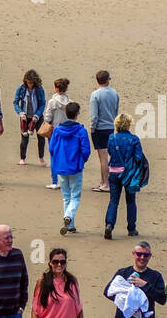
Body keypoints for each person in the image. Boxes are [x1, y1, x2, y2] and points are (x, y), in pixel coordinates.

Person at [49, 102, 91, 234]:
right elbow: (86, 150)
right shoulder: (81, 131)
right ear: (77, 114)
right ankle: (68, 217)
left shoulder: (57, 130)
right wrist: (81, 160)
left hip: (61, 166)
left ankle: (70, 224)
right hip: (75, 167)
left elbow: (51, 148)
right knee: (75, 196)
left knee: (66, 197)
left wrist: (57, 160)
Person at [104, 112, 143, 239]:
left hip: (114, 172)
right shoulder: (134, 139)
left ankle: (109, 224)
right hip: (129, 174)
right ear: (128, 125)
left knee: (113, 200)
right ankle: (131, 228)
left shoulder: (112, 138)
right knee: (131, 201)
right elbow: (138, 157)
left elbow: (109, 151)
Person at [89, 70, 120, 191]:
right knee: (108, 156)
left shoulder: (95, 95)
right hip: (111, 128)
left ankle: (105, 184)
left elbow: (94, 116)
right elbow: (116, 111)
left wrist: (92, 128)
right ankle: (104, 182)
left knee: (103, 158)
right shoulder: (114, 93)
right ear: (107, 80)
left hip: (99, 129)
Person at [13, 69, 46, 166]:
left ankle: (41, 158)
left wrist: (37, 115)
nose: (30, 85)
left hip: (37, 116)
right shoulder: (21, 88)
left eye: (31, 83)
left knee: (41, 138)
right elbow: (16, 102)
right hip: (25, 116)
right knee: (24, 138)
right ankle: (22, 158)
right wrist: (20, 113)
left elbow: (42, 104)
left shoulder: (39, 89)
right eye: (28, 83)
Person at [42, 77, 70, 187]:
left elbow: (48, 117)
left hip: (55, 131)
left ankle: (55, 181)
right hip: (67, 131)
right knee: (65, 155)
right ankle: (64, 180)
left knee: (54, 156)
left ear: (57, 88)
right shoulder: (70, 102)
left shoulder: (52, 102)